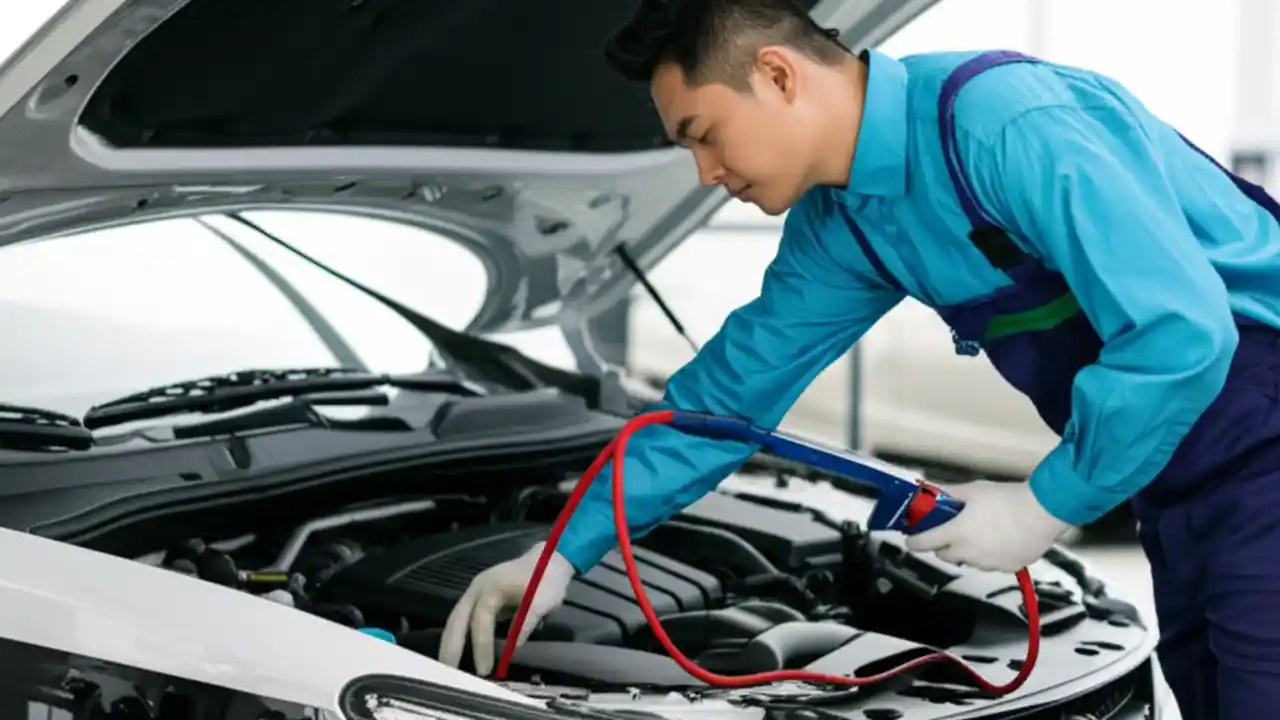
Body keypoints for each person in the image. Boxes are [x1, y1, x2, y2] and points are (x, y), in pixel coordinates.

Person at [440, 1, 1280, 714]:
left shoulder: (1005, 126)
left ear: (777, 74)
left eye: (703, 134)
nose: (703, 173)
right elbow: (720, 406)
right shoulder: (844, 225)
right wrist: (562, 553)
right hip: (1175, 479)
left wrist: (1043, 504)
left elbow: (1182, 334)